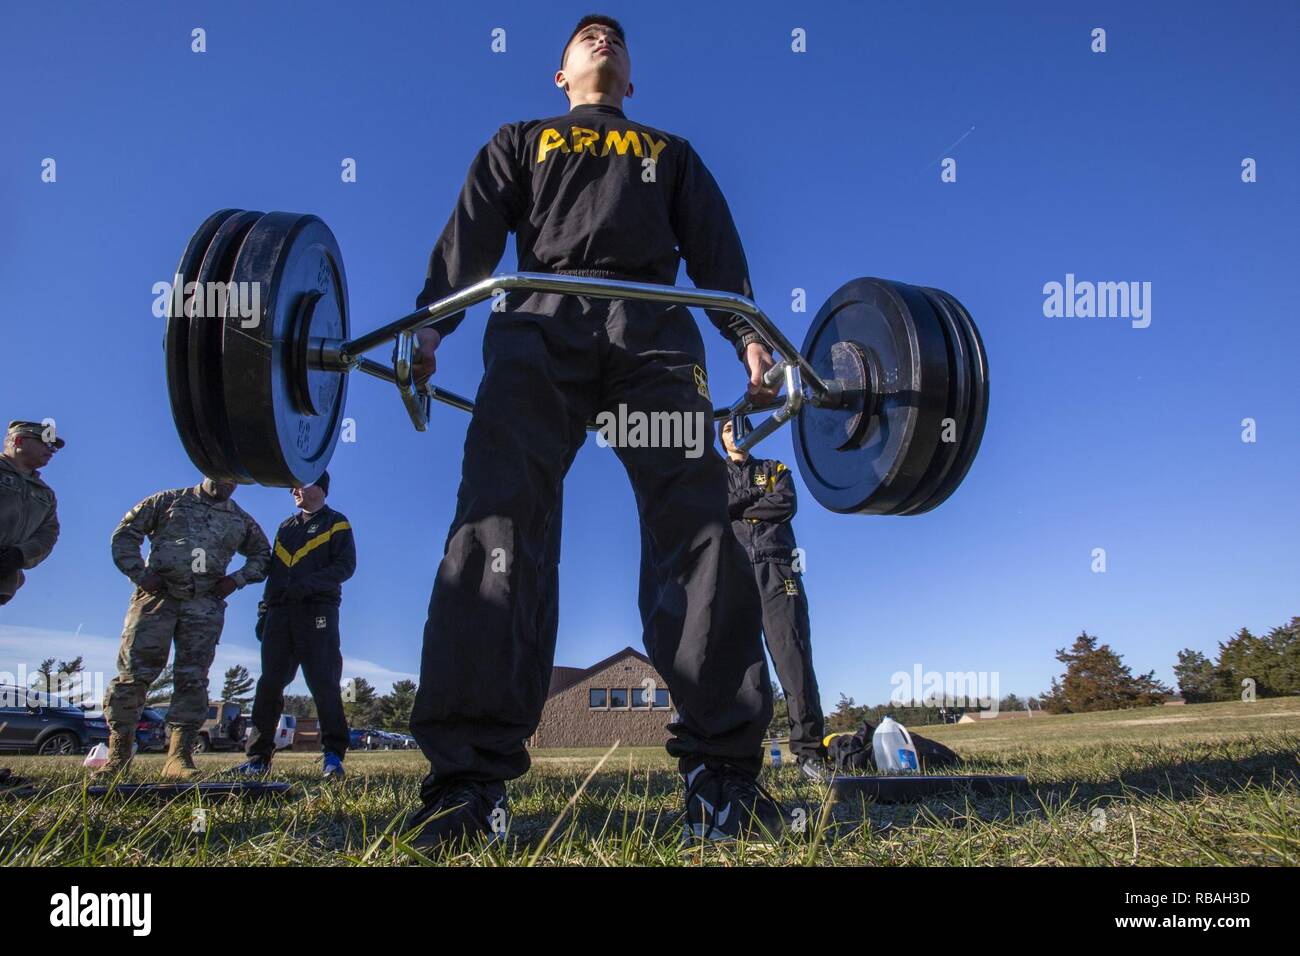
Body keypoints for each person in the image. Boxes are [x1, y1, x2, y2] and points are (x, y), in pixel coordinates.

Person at [404, 15, 785, 846]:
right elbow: (469, 237)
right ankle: (467, 787)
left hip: (655, 330)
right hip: (538, 323)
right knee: (498, 524)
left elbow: (719, 256)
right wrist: (432, 326)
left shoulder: (668, 151)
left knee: (697, 525)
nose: (602, 39)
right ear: (560, 74)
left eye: (614, 36)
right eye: (585, 36)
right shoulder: (523, 139)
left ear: (631, 79)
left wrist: (749, 337)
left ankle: (721, 780)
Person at [98, 477, 270, 779]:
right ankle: (118, 756)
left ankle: (179, 758)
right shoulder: (168, 501)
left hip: (204, 604)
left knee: (193, 679)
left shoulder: (240, 519)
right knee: (134, 676)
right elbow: (125, 534)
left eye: (235, 480)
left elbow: (263, 556)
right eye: (222, 475)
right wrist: (140, 574)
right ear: (207, 470)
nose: (228, 484)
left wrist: (235, 580)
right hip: (157, 598)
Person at [719, 417, 829, 782]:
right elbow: (718, 507)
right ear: (720, 437)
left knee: (792, 656)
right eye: (728, 429)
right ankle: (742, 754)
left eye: (742, 426)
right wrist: (749, 499)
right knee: (743, 667)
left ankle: (810, 752)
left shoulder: (774, 468)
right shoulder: (712, 474)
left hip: (778, 570)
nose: (736, 433)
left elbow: (783, 503)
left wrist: (739, 505)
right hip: (735, 573)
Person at [235, 471, 355, 779]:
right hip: (280, 614)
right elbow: (275, 572)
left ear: (320, 487)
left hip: (317, 612)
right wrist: (264, 611)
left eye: (300, 483)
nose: (294, 490)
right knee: (269, 684)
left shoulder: (336, 523)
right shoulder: (285, 527)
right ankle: (258, 757)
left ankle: (332, 756)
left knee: (323, 682)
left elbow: (345, 566)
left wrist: (309, 585)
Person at [0, 421, 63, 606]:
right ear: (18, 440)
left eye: (53, 447)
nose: (51, 450)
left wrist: (19, 555)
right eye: (45, 442)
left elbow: (48, 534)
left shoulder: (45, 494)